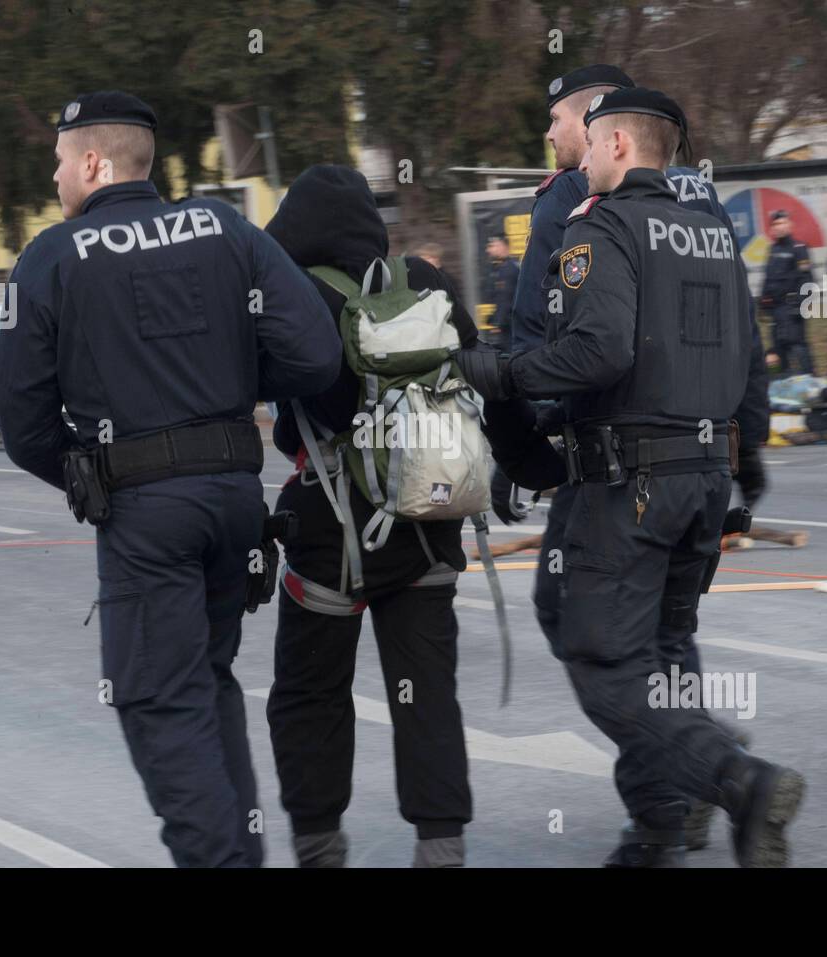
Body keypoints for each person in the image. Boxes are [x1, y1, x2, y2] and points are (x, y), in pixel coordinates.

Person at [454, 87, 805, 868]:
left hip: (628, 484)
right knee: (660, 641)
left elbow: (598, 352)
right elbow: (749, 358)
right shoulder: (711, 233)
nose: (575, 149)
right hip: (702, 479)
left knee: (603, 659)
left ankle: (733, 779)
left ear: (613, 145)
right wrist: (744, 470)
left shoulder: (602, 225)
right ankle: (660, 821)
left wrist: (496, 373)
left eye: (585, 138)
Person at [0, 90, 341, 868]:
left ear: (91, 162)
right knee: (208, 685)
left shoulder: (52, 256)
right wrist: (237, 387)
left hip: (147, 515)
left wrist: (89, 473)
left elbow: (20, 417)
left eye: (58, 162)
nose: (54, 179)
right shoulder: (227, 228)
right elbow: (317, 354)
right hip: (233, 503)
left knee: (160, 700)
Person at [263, 165, 562, 869]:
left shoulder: (295, 296)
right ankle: (441, 846)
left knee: (311, 692)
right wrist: (532, 467)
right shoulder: (427, 281)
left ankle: (318, 845)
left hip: (331, 530)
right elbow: (484, 381)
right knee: (426, 693)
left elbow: (283, 396)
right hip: (430, 520)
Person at [760, 211, 816, 375]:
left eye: (783, 223)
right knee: (777, 352)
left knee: (799, 350)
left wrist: (799, 306)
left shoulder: (799, 249)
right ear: (771, 228)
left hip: (792, 309)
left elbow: (807, 281)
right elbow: (768, 278)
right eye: (776, 224)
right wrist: (764, 303)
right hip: (776, 311)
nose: (780, 227)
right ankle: (780, 386)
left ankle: (811, 384)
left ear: (790, 225)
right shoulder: (772, 250)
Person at [483, 234, 519, 351]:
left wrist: (498, 324)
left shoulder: (508, 269)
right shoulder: (502, 267)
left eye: (492, 246)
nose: (488, 250)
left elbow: (505, 299)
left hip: (509, 325)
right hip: (508, 323)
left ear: (503, 246)